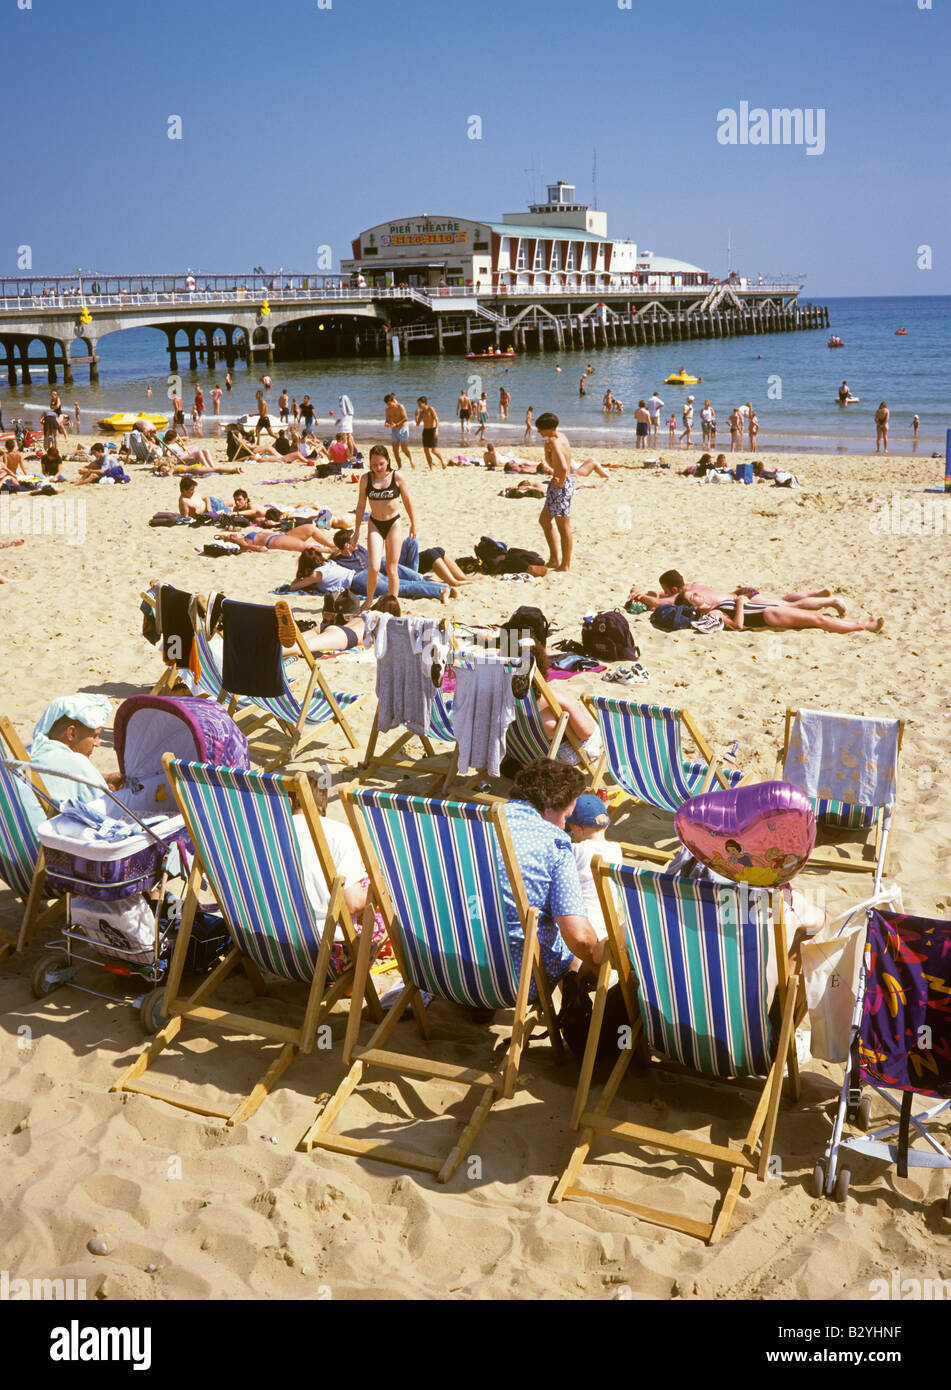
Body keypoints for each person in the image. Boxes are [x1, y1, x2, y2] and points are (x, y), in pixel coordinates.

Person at [498, 759, 603, 991]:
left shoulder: (471, 823)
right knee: (578, 951)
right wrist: (594, 960)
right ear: (550, 809)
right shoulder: (553, 843)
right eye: (566, 818)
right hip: (513, 978)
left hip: (442, 967)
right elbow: (579, 937)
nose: (564, 827)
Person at [20, 694, 120, 831]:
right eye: (95, 736)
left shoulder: (27, 753)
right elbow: (111, 811)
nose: (98, 743)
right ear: (71, 733)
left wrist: (106, 778)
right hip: (44, 846)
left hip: (12, 843)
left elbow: (60, 773)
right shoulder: (77, 764)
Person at [352, 443, 418, 605]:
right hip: (374, 524)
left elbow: (407, 500)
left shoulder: (397, 477)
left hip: (394, 523)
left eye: (381, 464)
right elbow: (361, 505)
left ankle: (392, 603)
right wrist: (356, 531)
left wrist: (413, 523)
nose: (378, 468)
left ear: (388, 461)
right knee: (373, 567)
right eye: (374, 465)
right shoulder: (366, 479)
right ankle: (368, 601)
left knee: (391, 568)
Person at [565, 793, 622, 940]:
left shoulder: (577, 850)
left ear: (578, 829)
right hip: (608, 931)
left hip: (583, 929)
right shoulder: (616, 849)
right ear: (606, 825)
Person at [534, 411, 574, 572]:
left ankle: (565, 564)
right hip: (559, 484)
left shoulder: (555, 442)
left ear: (548, 428)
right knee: (544, 520)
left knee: (563, 527)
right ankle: (554, 559)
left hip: (561, 486)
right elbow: (553, 463)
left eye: (540, 429)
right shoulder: (560, 437)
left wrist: (561, 481)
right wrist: (546, 452)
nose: (538, 432)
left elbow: (564, 467)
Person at [414, 397, 445, 469]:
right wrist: (416, 415)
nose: (419, 405)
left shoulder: (430, 409)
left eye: (420, 404)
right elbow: (418, 424)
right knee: (426, 450)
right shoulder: (421, 412)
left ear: (424, 403)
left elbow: (437, 419)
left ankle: (442, 461)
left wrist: (437, 430)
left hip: (432, 430)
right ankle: (431, 467)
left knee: (433, 450)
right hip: (425, 431)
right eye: (418, 404)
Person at [384, 392, 414, 468]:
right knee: (395, 451)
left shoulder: (400, 407)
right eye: (387, 404)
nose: (389, 406)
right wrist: (386, 423)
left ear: (393, 401)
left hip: (403, 428)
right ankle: (400, 467)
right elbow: (387, 420)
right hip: (394, 430)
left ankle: (411, 459)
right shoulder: (387, 409)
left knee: (404, 449)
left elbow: (405, 418)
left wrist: (396, 424)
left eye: (389, 404)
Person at [334, 394, 355, 459]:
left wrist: (332, 415)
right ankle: (351, 454)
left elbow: (337, 417)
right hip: (349, 426)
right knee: (350, 439)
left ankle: (344, 454)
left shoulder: (342, 409)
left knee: (343, 441)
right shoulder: (350, 409)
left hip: (344, 426)